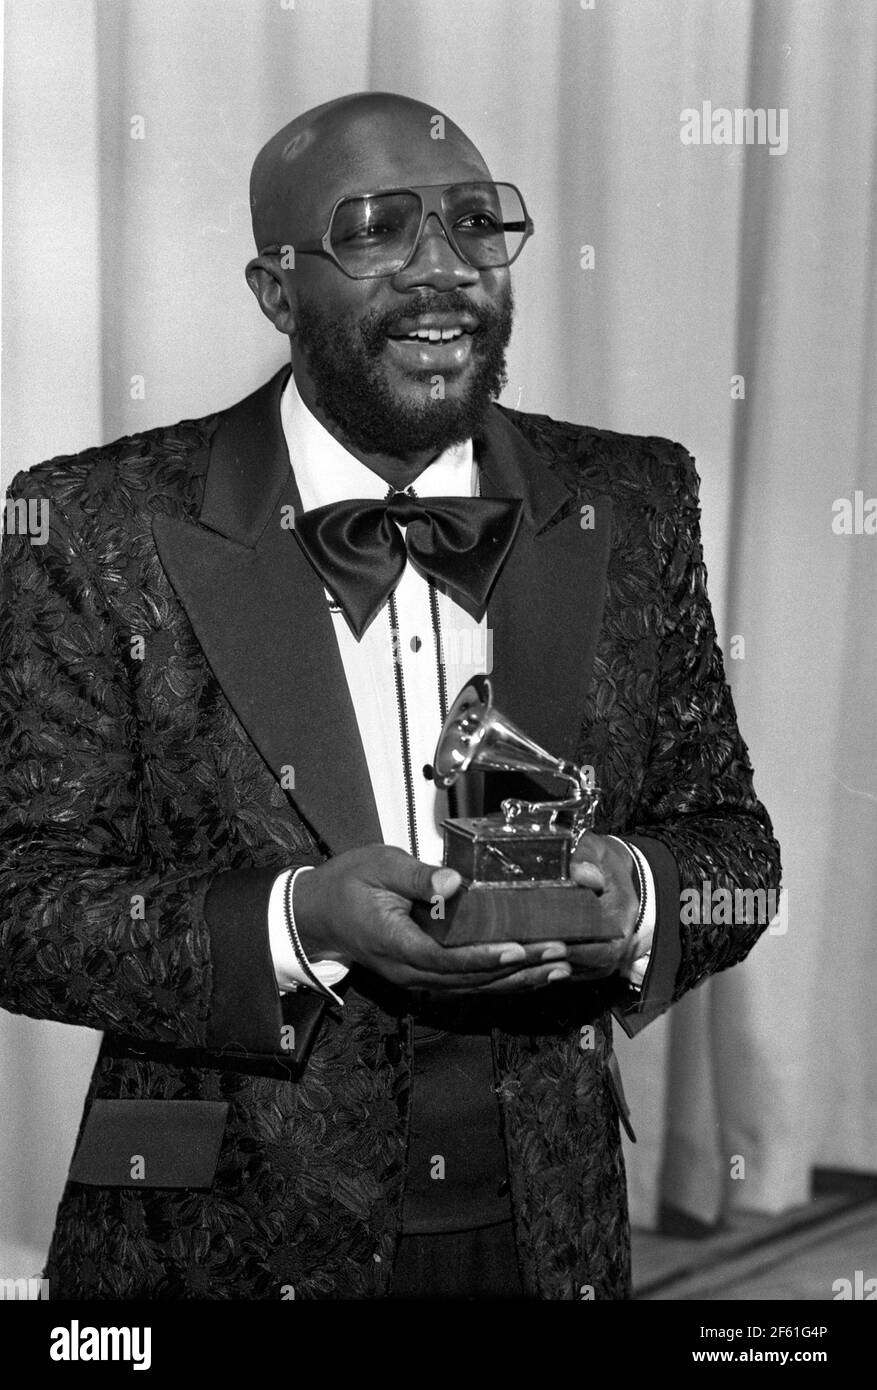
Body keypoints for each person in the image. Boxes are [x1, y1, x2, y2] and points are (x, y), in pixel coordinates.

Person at [0, 91, 780, 1300]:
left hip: (544, 1228)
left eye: (477, 223)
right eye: (376, 229)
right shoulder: (94, 522)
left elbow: (734, 848)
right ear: (274, 288)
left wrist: (626, 893)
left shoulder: (629, 498)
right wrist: (300, 918)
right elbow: (23, 904)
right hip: (211, 1241)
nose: (443, 271)